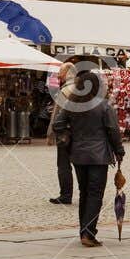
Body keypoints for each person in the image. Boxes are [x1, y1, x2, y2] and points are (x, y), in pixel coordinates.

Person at [51, 69, 124, 248]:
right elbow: (113, 131)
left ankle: (85, 231)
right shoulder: (104, 106)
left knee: (84, 193)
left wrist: (69, 135)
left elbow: (57, 124)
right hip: (99, 156)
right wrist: (119, 150)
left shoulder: (72, 104)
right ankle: (88, 232)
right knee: (95, 194)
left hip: (78, 154)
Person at [48, 62, 75, 205]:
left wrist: (51, 133)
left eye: (61, 71)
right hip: (79, 132)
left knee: (63, 165)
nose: (58, 74)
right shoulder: (81, 88)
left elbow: (57, 115)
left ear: (68, 72)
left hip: (64, 133)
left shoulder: (66, 90)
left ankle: (66, 195)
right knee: (80, 164)